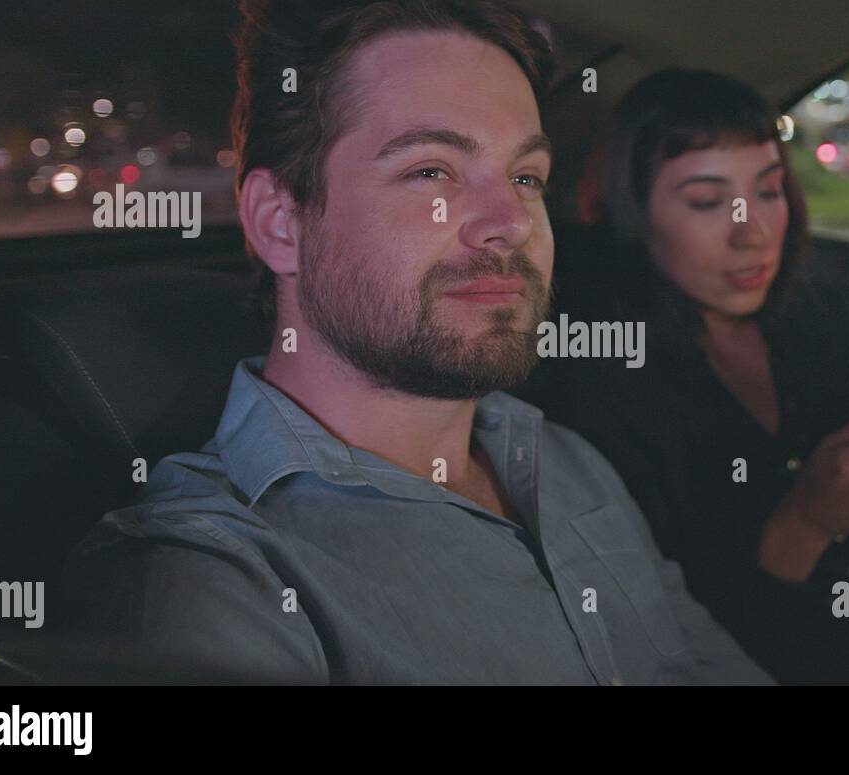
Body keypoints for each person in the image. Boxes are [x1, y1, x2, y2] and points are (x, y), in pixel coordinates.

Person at [62, 1, 771, 686]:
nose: (512, 223)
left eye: (526, 178)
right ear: (281, 223)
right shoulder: (220, 576)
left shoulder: (568, 464)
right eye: (431, 171)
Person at [533, 69, 849, 684]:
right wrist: (804, 526)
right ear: (636, 215)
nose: (753, 232)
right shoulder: (597, 379)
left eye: (768, 190)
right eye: (707, 202)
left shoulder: (814, 318)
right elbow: (666, 651)